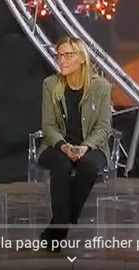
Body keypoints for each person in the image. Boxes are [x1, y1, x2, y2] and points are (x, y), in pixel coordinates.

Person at [36, 36, 113, 249]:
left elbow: (104, 127)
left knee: (88, 166)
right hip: (56, 145)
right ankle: (61, 225)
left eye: (68, 55)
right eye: (59, 55)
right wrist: (63, 146)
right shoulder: (50, 85)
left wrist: (85, 147)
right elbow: (48, 126)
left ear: (81, 58)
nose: (62, 60)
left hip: (92, 146)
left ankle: (57, 227)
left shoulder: (102, 87)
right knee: (61, 164)